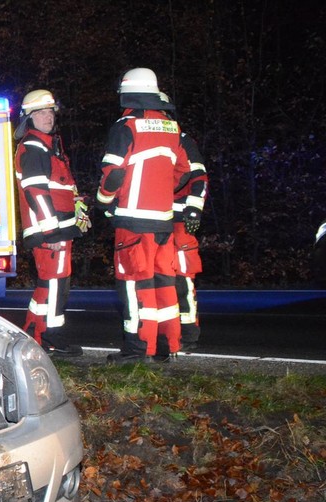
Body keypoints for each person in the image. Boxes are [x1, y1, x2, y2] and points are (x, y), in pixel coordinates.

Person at [96, 68, 193, 363]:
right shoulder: (171, 127)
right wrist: (159, 190)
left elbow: (113, 175)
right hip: (164, 221)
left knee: (135, 284)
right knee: (163, 283)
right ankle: (167, 344)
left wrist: (103, 202)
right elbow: (184, 172)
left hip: (132, 221)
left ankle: (138, 349)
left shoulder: (126, 127)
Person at [13, 89, 87, 356]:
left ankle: (35, 333)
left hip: (58, 229)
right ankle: (52, 337)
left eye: (50, 112)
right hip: (50, 233)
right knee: (56, 285)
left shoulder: (48, 146)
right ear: (28, 118)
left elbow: (60, 189)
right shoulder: (34, 148)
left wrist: (78, 209)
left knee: (49, 284)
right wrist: (52, 232)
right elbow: (37, 193)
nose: (48, 117)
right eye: (41, 113)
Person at [169, 105, 209, 351]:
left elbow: (199, 178)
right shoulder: (144, 139)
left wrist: (193, 210)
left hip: (179, 222)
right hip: (153, 221)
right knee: (159, 279)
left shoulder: (182, 141)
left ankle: (188, 333)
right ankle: (167, 333)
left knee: (182, 278)